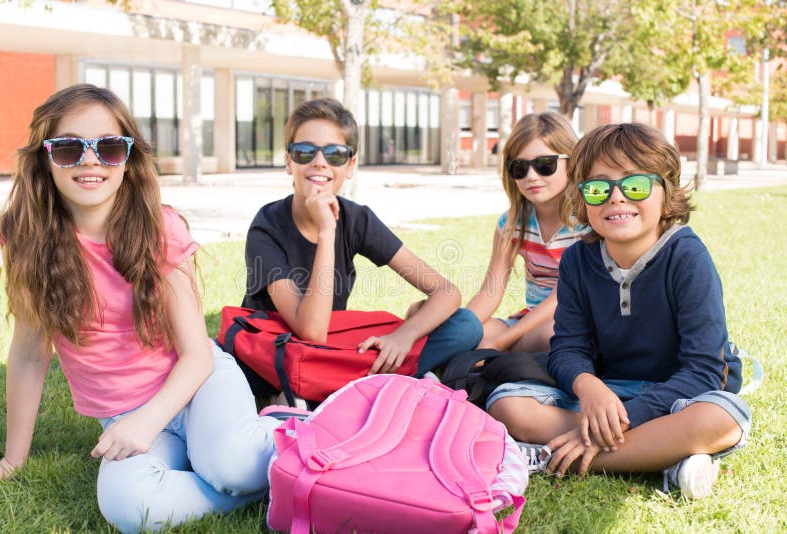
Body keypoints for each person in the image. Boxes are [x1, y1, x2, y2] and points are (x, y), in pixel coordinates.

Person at [0, 84, 280, 532]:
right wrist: (13, 459)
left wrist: (148, 420)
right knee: (128, 506)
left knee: (235, 466)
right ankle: (239, 478)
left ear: (128, 156)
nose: (90, 161)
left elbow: (197, 355)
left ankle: (279, 433)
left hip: (198, 386)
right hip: (127, 417)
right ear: (45, 158)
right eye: (68, 149)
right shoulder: (26, 237)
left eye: (108, 147)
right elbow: (29, 353)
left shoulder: (157, 227)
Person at [487, 122, 751, 499]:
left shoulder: (687, 257)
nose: (616, 198)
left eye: (635, 185)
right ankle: (664, 457)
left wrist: (616, 423)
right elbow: (568, 350)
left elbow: (704, 372)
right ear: (582, 198)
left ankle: (561, 456)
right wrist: (588, 387)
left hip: (681, 394)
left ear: (666, 191)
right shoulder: (578, 259)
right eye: (598, 188)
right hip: (609, 391)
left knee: (724, 417)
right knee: (508, 405)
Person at [241, 98, 482, 389]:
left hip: (336, 348)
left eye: (335, 154)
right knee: (259, 367)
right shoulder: (266, 227)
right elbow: (311, 330)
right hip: (281, 348)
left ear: (351, 165)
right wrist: (327, 231)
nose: (320, 162)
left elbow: (446, 292)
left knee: (465, 325)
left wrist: (404, 336)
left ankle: (354, 380)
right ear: (289, 162)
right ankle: (374, 380)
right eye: (304, 152)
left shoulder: (357, 219)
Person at [467, 112, 590, 353]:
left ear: (572, 162)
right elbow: (490, 291)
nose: (531, 177)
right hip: (527, 322)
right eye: (519, 167)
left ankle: (501, 353)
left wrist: (501, 342)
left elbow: (561, 298)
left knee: (550, 335)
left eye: (545, 164)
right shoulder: (512, 223)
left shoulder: (588, 223)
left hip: (571, 325)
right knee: (453, 327)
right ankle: (501, 351)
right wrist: (459, 327)